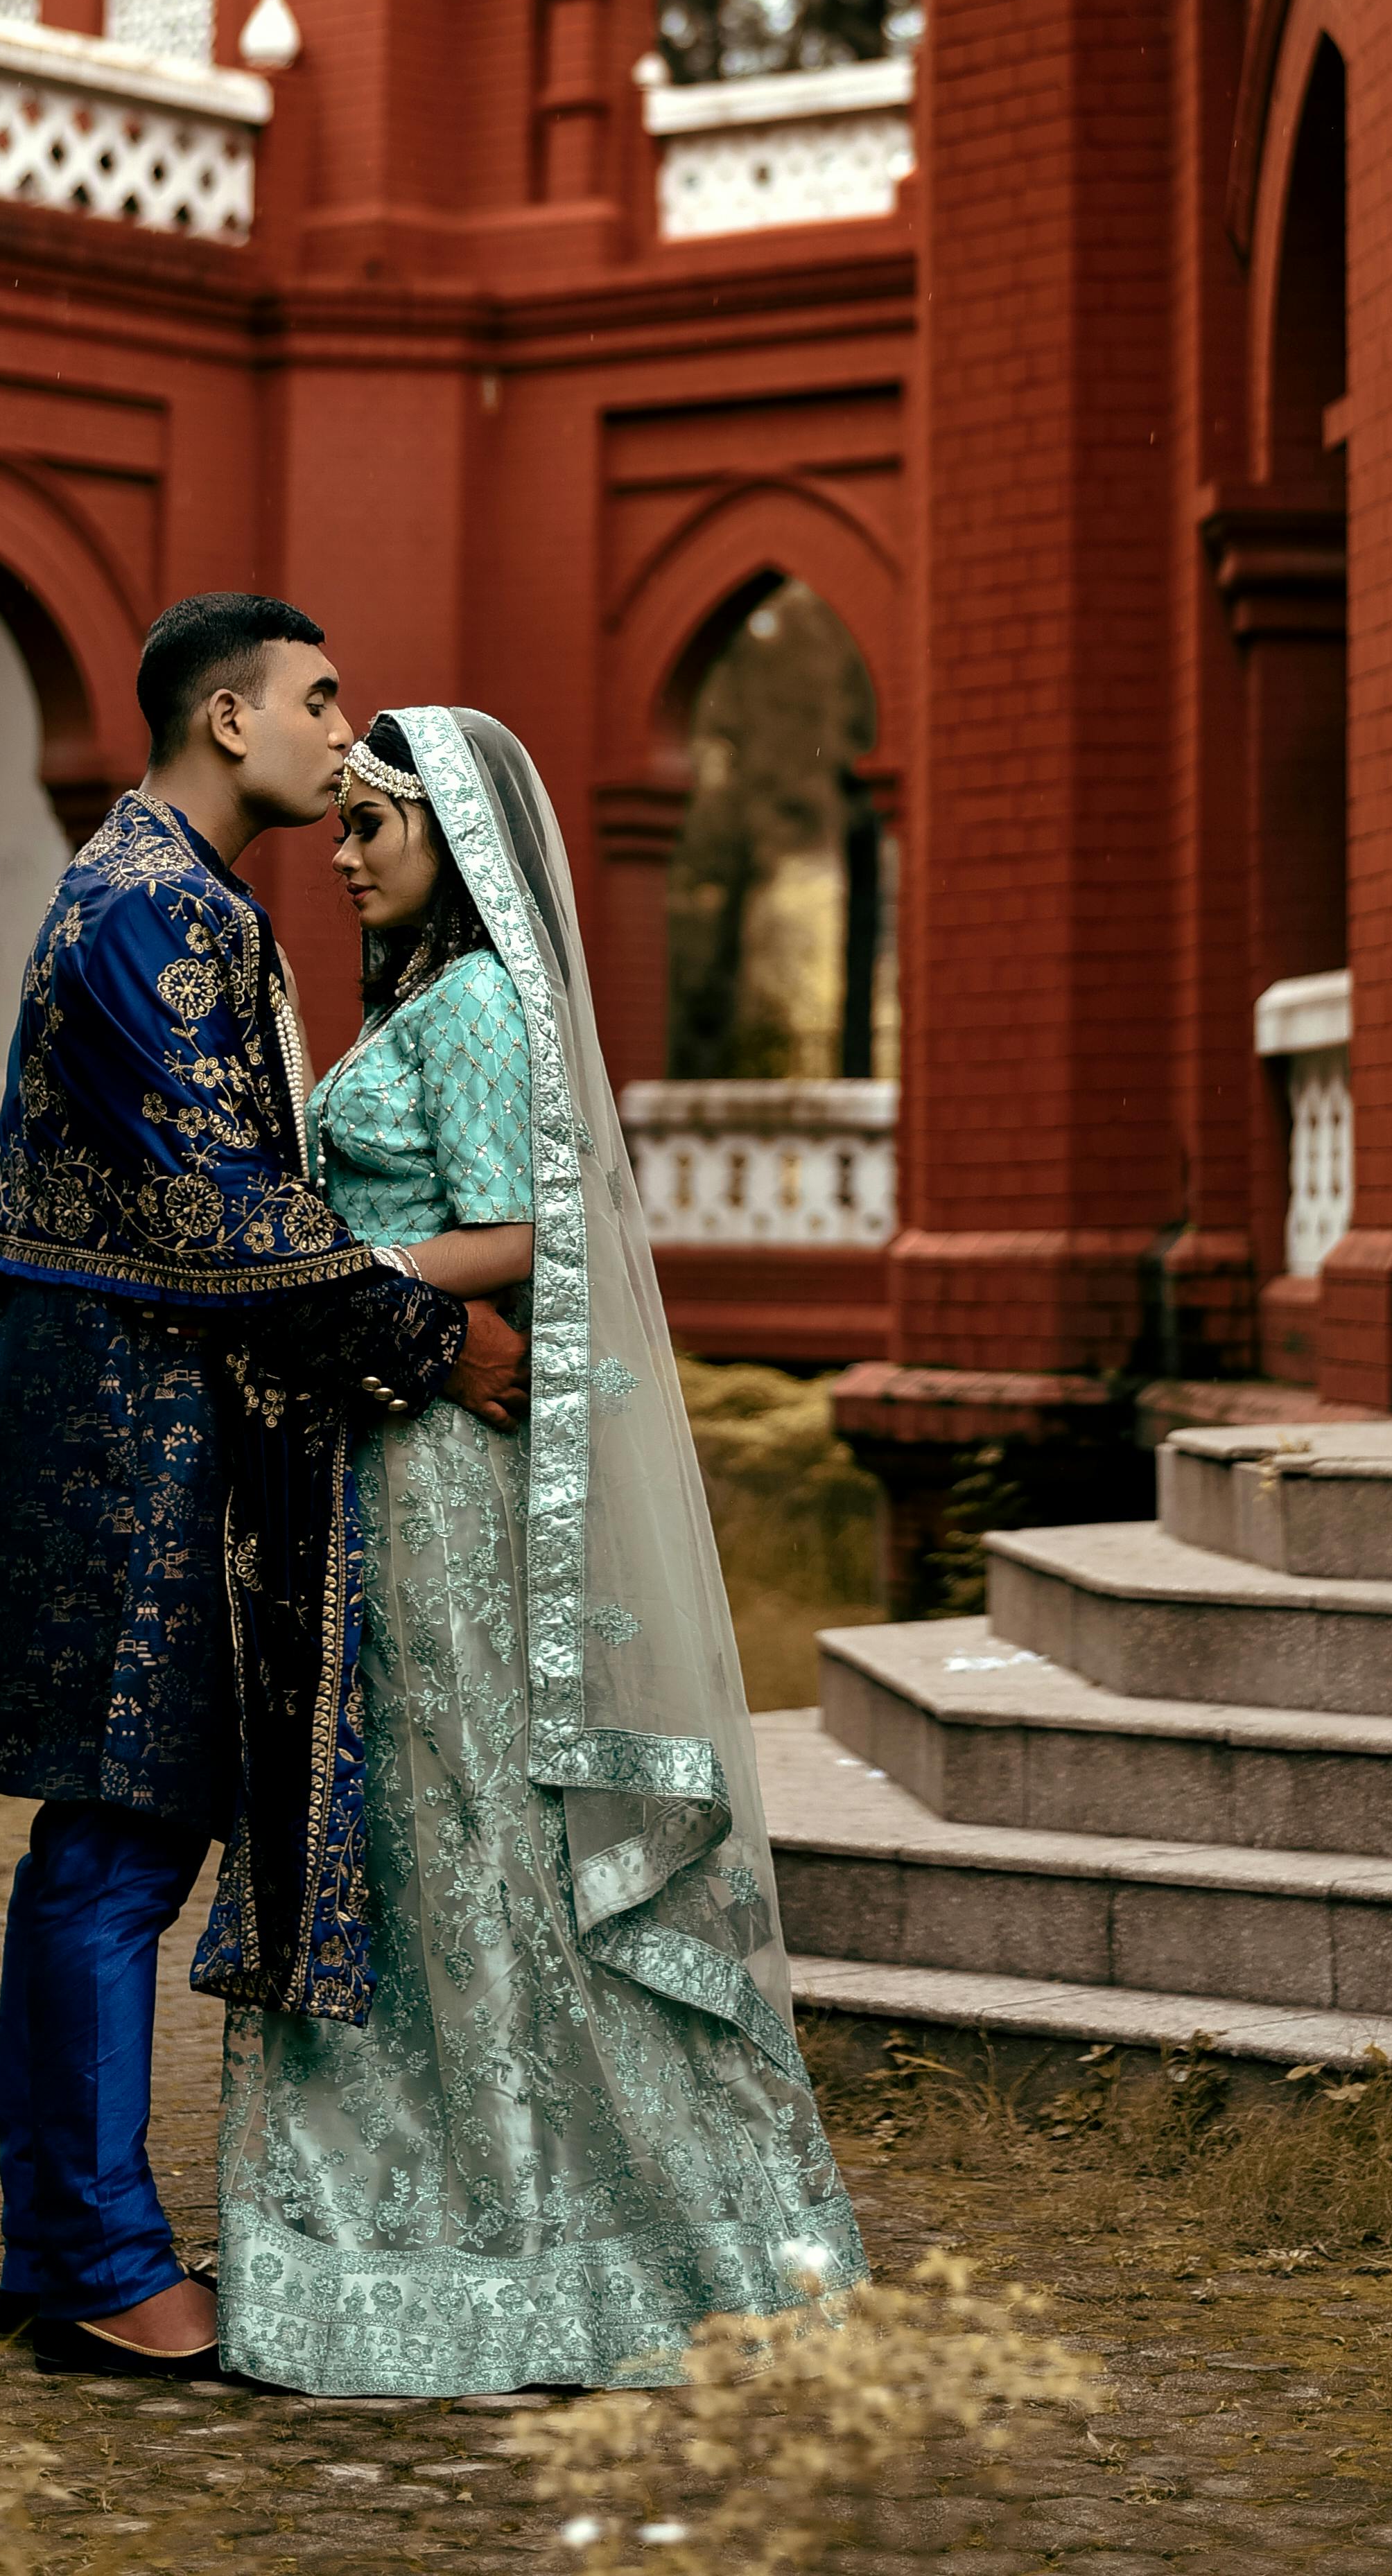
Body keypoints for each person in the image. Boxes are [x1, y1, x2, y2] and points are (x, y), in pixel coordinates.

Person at [0, 597, 528, 2385]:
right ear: (229, 719)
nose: (347, 733)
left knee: (117, 1836)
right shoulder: (153, 905)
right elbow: (221, 1216)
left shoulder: (177, 891)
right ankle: (94, 2257)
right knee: (114, 1840)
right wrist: (432, 1338)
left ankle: (68, 2243)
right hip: (123, 1434)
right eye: (322, 702)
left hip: (157, 1415)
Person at [212, 703, 866, 2398]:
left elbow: (528, 1225)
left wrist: (338, 1285)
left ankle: (577, 2224)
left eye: (373, 823)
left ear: (458, 842)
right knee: (425, 1831)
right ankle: (452, 2209)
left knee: (471, 1819)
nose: (342, 850)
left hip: (438, 1472)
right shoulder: (422, 1000)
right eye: (339, 819)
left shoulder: (487, 1002)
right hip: (388, 1447)